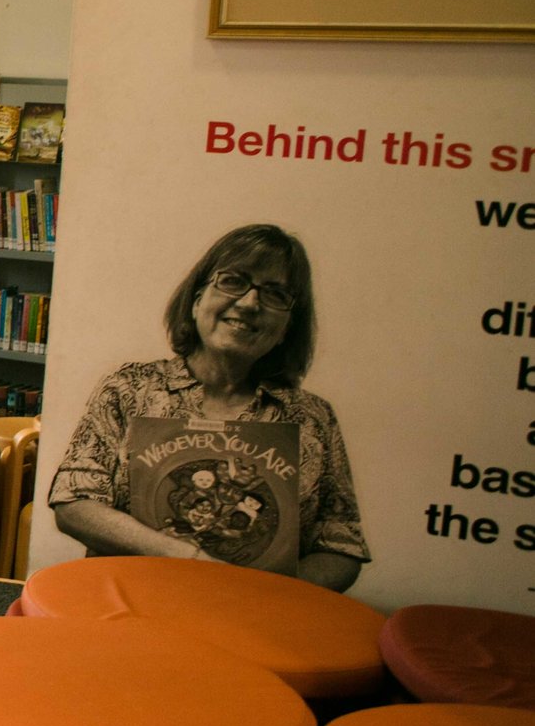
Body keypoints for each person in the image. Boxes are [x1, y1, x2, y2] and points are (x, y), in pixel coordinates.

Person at [48, 222, 367, 590]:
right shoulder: (129, 388)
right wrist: (188, 559)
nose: (249, 303)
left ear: (287, 328)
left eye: (275, 294)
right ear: (196, 300)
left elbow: (341, 545)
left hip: (253, 614)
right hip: (125, 599)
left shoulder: (312, 417)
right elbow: (74, 504)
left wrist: (269, 594)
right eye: (233, 281)